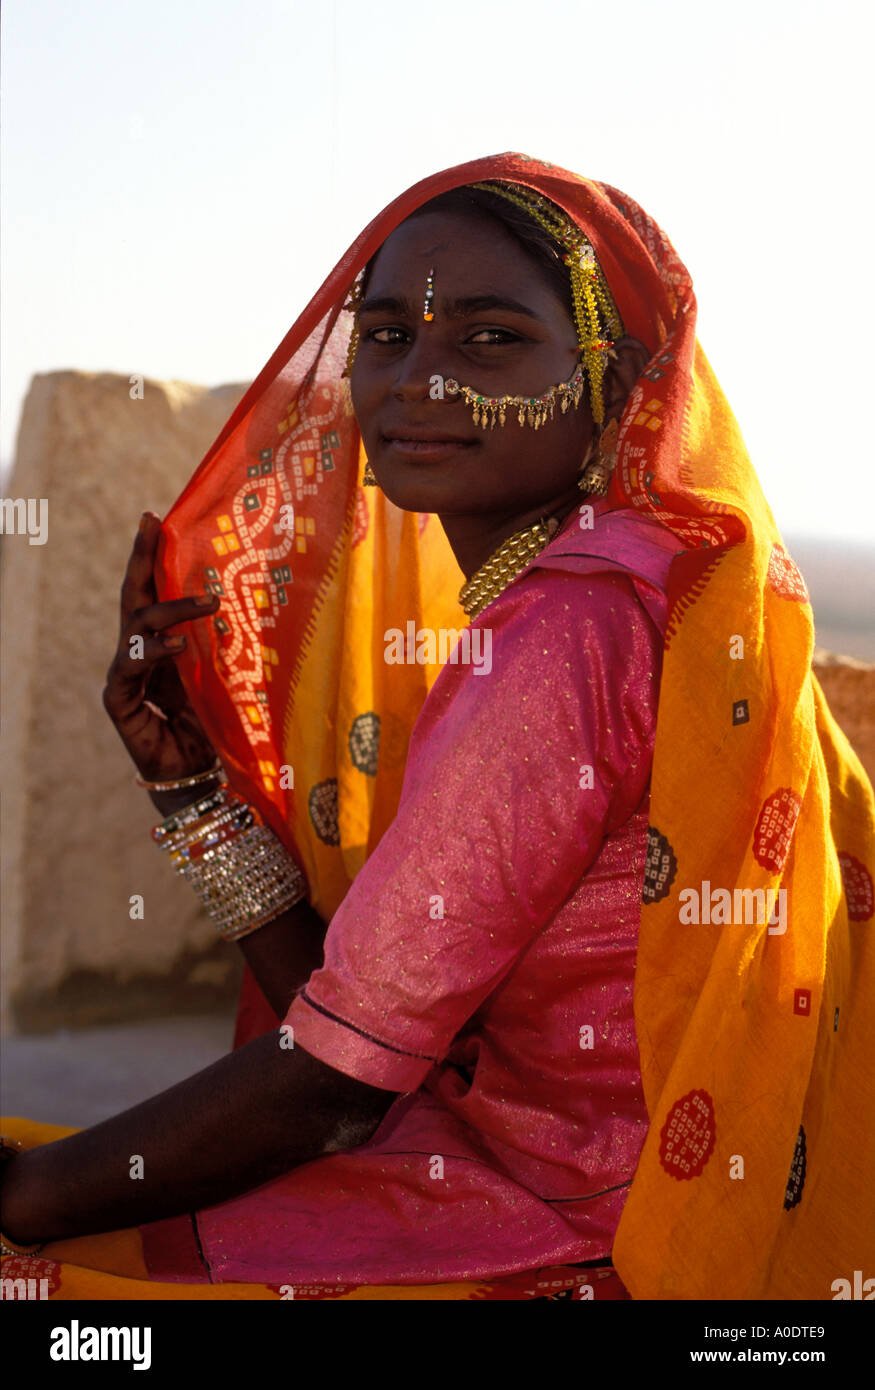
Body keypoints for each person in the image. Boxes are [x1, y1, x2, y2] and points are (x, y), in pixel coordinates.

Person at [1, 153, 872, 1302]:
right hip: (570, 1178)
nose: (419, 380)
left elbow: (337, 1084)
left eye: (489, 339)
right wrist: (193, 791)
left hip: (548, 1233)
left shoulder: (560, 634)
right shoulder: (651, 586)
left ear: (609, 382)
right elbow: (374, 1018)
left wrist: (21, 1197)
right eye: (385, 336)